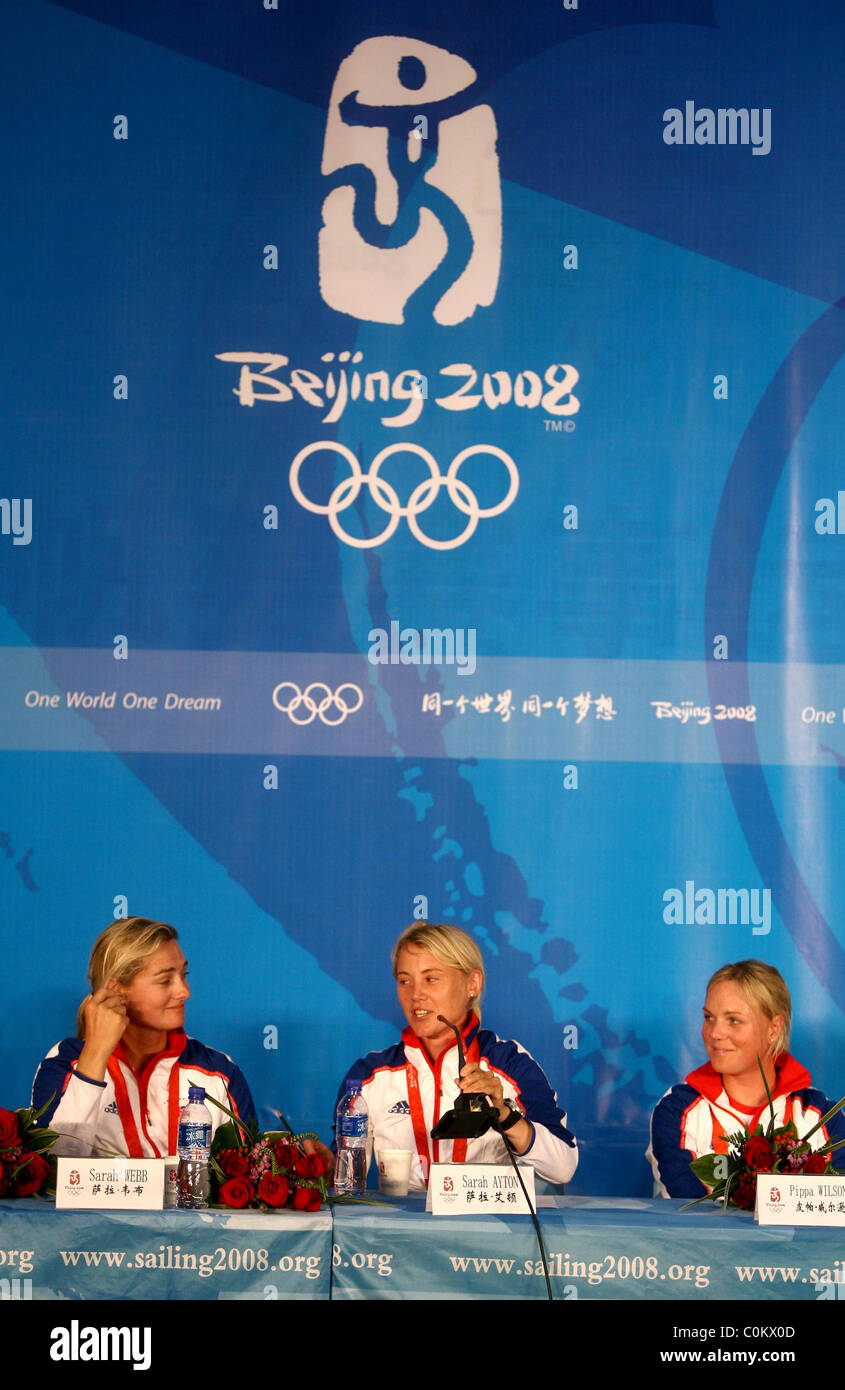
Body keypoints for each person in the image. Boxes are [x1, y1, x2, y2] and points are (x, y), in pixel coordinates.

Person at [333, 922, 578, 1190]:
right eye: (405, 981)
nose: (416, 995)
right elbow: (342, 1174)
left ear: (472, 983)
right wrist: (316, 1167)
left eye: (431, 978)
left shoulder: (509, 1062)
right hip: (401, 1231)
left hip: (488, 1228)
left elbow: (564, 1165)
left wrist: (504, 1114)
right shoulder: (369, 1074)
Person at [32, 917, 257, 1158]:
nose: (185, 991)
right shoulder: (66, 1061)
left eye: (184, 974)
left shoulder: (219, 1071)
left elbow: (246, 1172)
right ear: (116, 990)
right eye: (165, 980)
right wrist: (95, 1055)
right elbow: (57, 1169)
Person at [647, 959, 845, 1197]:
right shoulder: (676, 1109)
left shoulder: (821, 1116)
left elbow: (834, 1207)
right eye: (709, 1017)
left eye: (733, 1020)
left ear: (773, 1028)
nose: (715, 1033)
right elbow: (688, 1208)